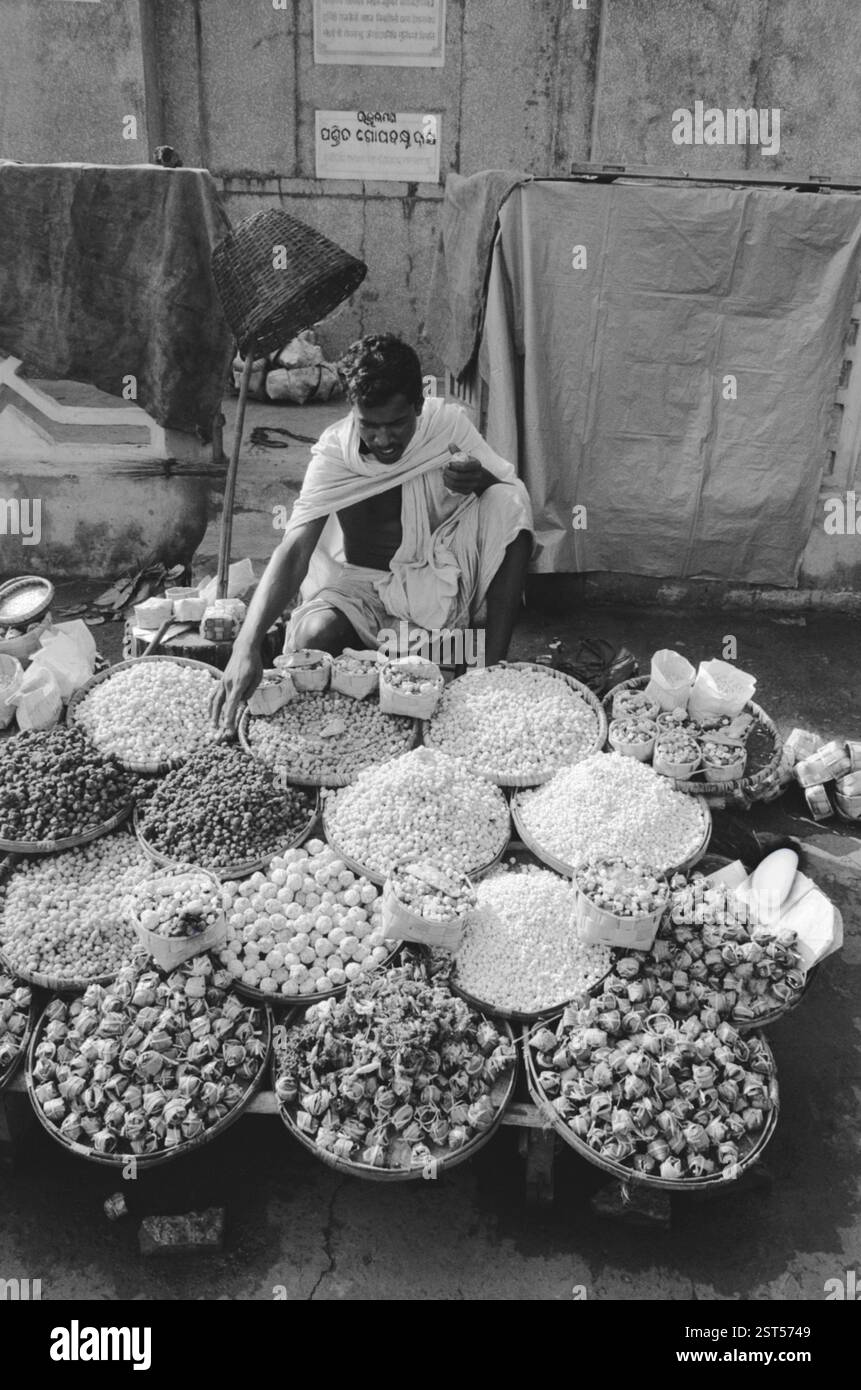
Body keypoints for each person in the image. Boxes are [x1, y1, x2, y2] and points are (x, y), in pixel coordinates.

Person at [211, 333, 533, 730]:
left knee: (512, 504)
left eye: (397, 424)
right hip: (361, 586)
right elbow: (294, 550)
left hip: (432, 571)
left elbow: (501, 489)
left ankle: (488, 673)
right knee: (314, 636)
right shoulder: (334, 455)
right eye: (370, 426)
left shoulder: (446, 426)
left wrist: (477, 479)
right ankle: (393, 663)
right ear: (353, 411)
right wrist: (246, 644)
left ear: (418, 405)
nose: (383, 439)